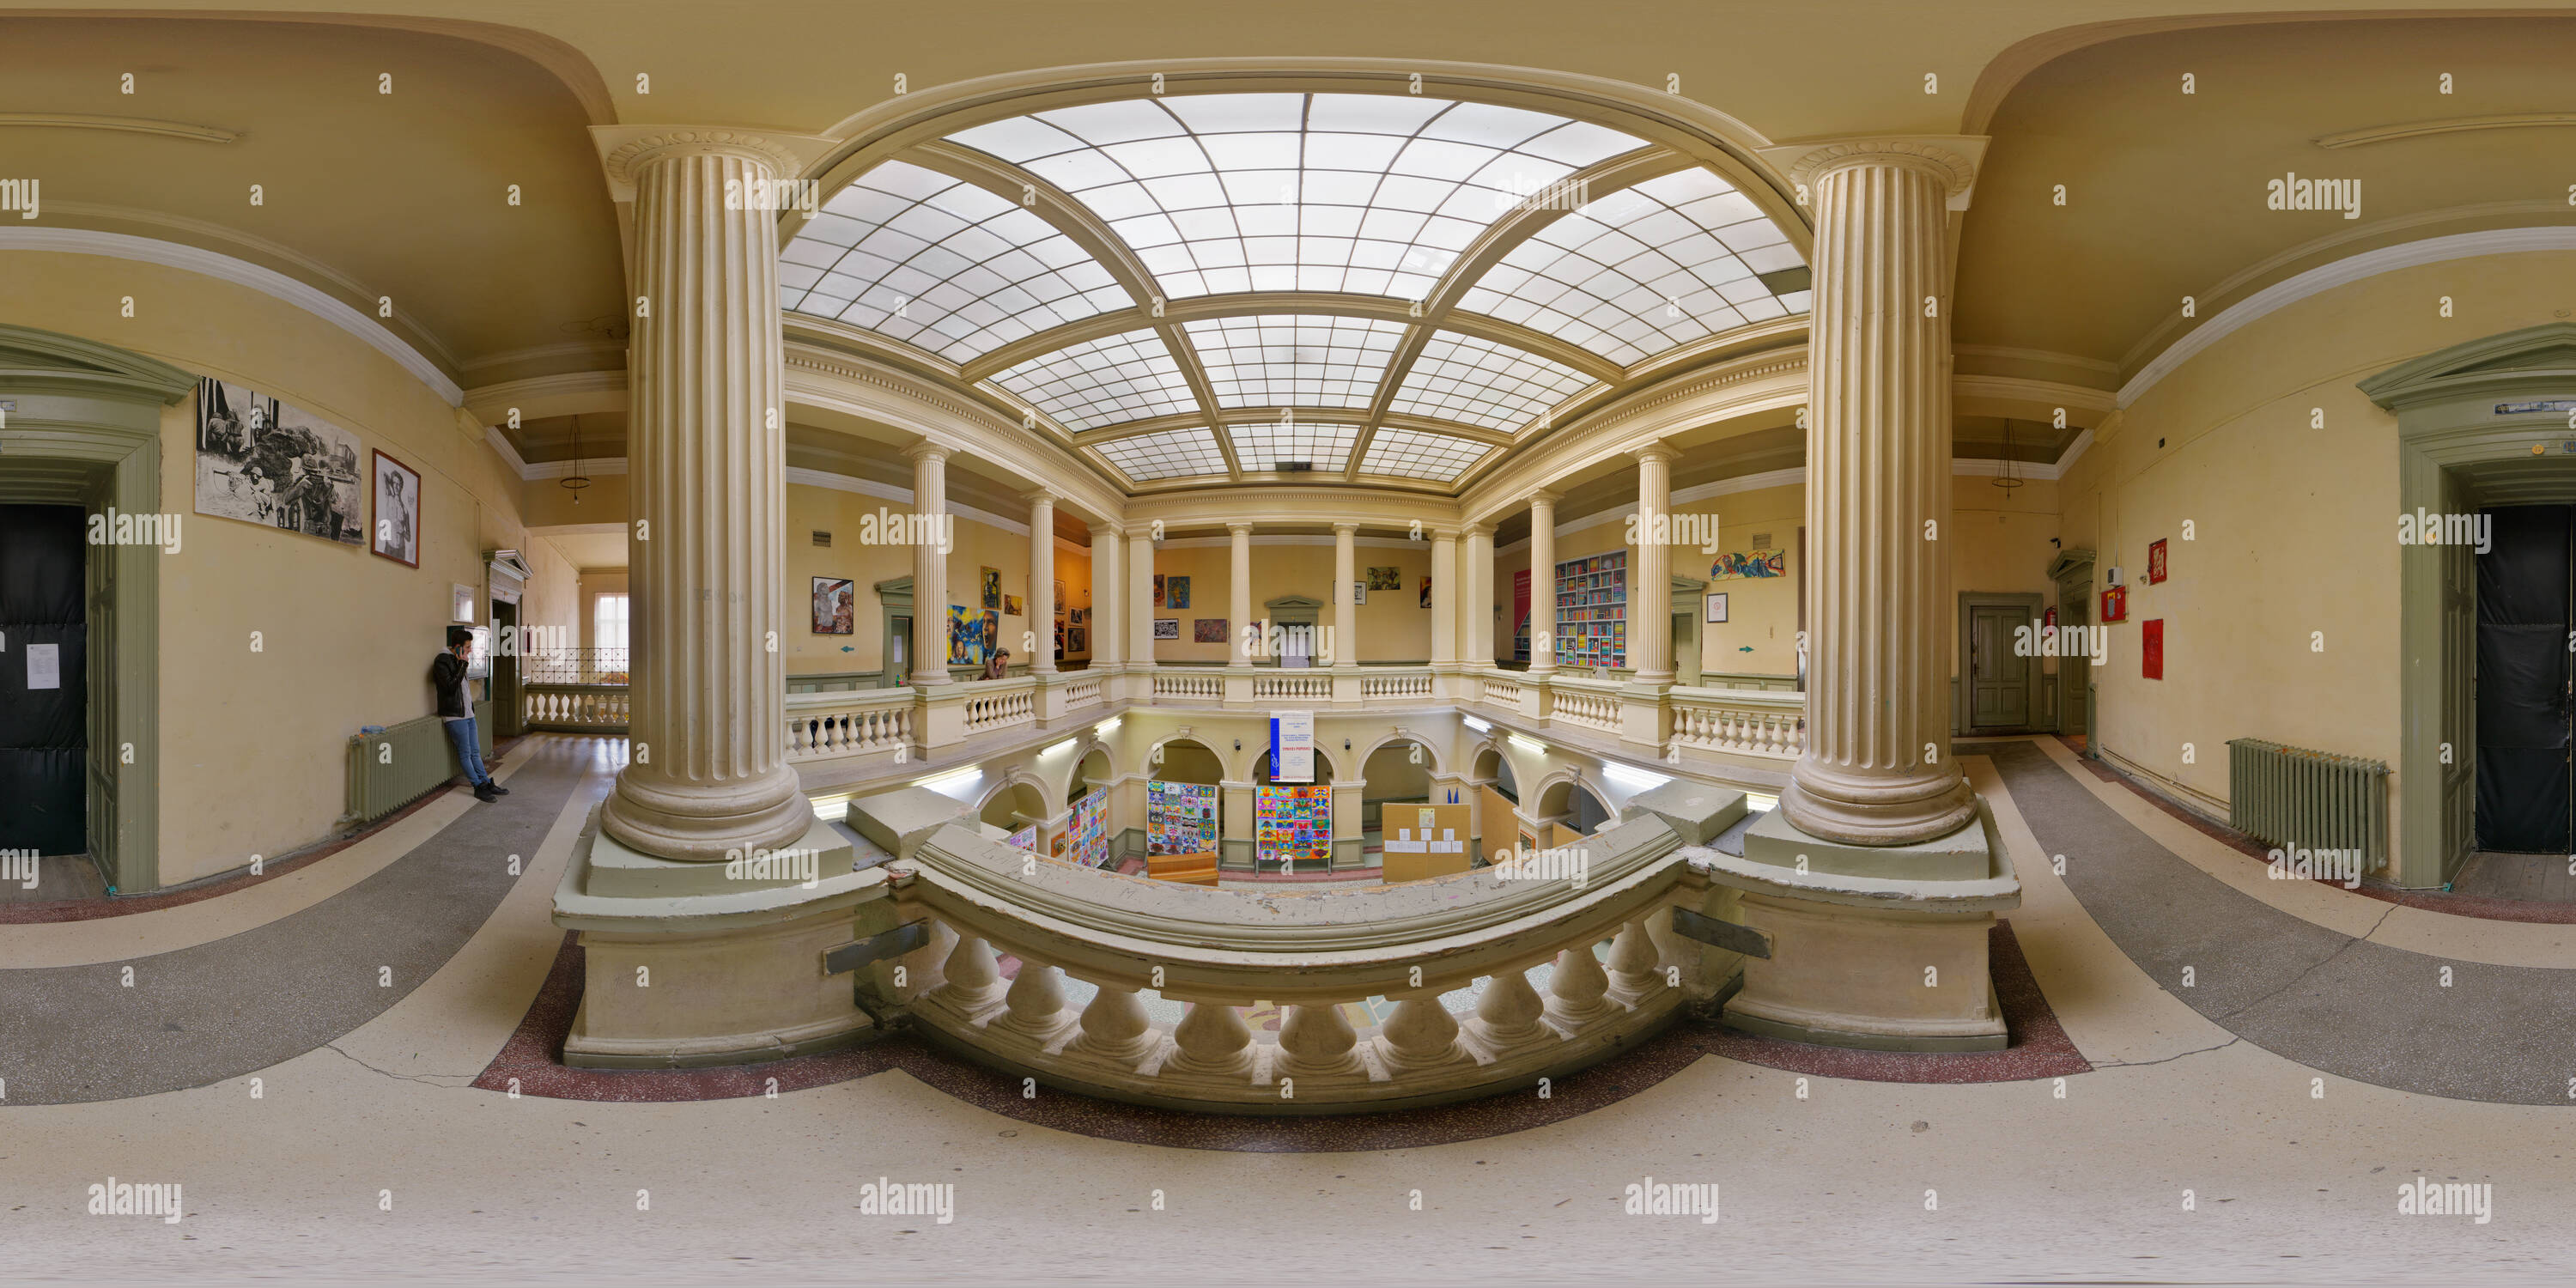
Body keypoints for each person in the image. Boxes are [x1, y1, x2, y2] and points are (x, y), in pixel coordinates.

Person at [432, 626, 507, 802]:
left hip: (467, 713)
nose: (470, 650)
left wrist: (462, 663)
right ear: (457, 647)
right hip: (454, 715)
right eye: (467, 647)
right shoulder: (442, 661)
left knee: (475, 752)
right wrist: (463, 663)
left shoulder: (457, 660)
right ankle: (477, 786)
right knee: (465, 753)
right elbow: (450, 687)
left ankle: (486, 782)